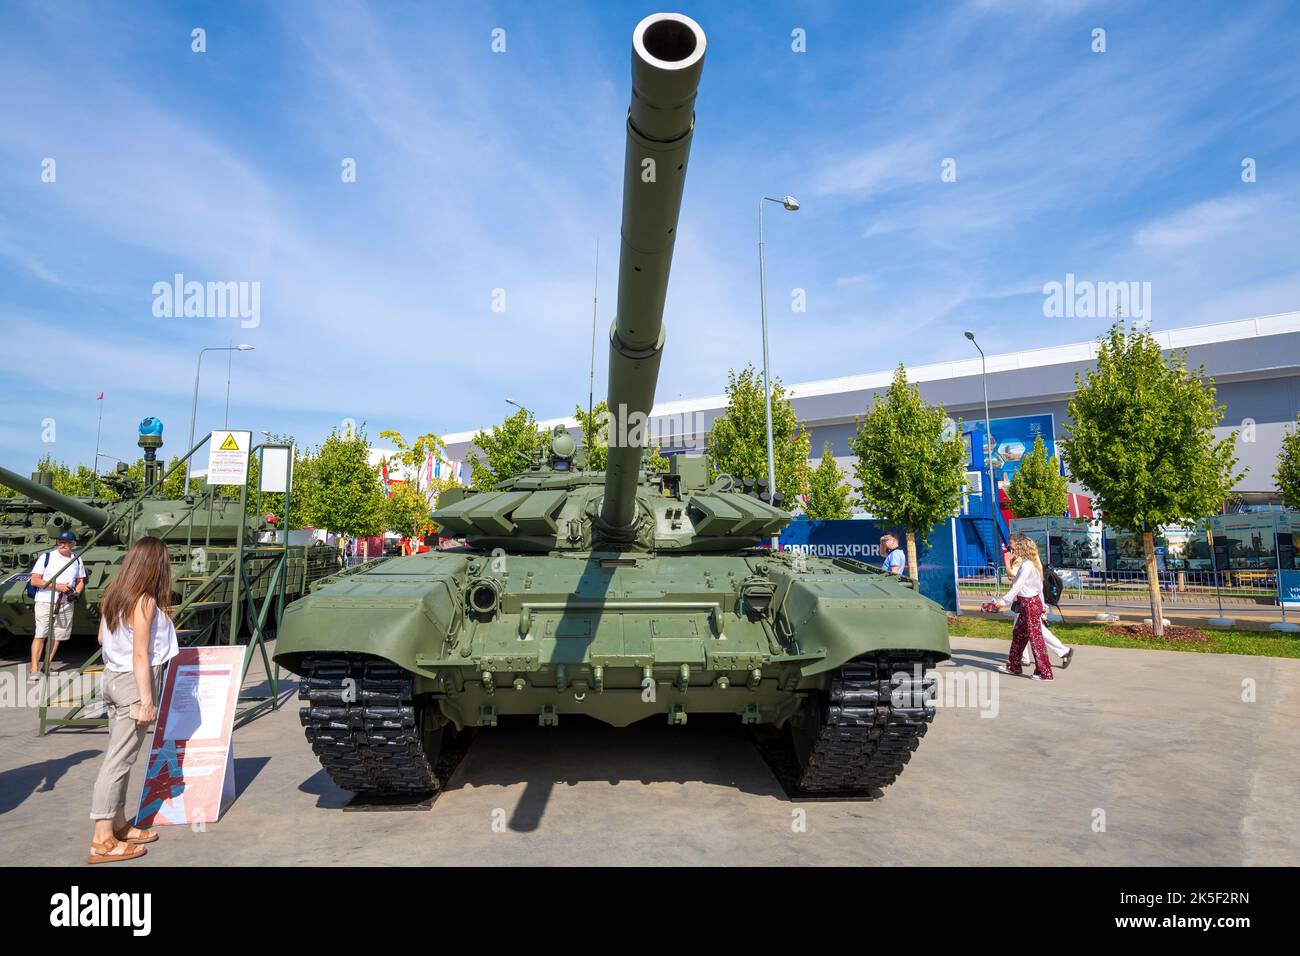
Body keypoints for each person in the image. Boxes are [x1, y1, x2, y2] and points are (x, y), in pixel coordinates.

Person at [87, 536, 178, 864]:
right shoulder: (144, 601)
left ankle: (120, 824)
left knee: (118, 756)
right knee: (118, 762)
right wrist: (146, 699)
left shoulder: (114, 592)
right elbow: (141, 654)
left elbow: (101, 637)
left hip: (113, 678)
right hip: (133, 683)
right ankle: (101, 839)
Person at [29, 529, 86, 682]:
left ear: (73, 544)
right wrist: (57, 586)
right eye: (61, 542)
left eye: (67, 542)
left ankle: (46, 665)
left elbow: (81, 580)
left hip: (66, 602)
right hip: (46, 600)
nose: (63, 544)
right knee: (41, 634)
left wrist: (77, 593)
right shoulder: (47, 557)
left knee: (57, 636)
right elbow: (35, 580)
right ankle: (34, 669)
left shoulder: (77, 559)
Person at [1004, 547, 1075, 669]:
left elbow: (1013, 578)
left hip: (1026, 603)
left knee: (1028, 631)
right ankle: (1024, 658)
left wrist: (1006, 561)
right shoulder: (1029, 562)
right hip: (1027, 602)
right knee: (1026, 631)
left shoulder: (1022, 563)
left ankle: (1061, 652)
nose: (1010, 549)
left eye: (1011, 545)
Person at [994, 534, 1053, 680]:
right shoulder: (1032, 564)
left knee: (1035, 638)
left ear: (1023, 549)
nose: (1013, 549)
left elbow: (1017, 586)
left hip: (1029, 605)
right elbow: (1039, 588)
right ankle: (1013, 666)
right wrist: (1043, 604)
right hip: (1028, 604)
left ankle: (1045, 673)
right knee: (1019, 635)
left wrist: (1003, 601)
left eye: (1017, 547)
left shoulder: (1026, 566)